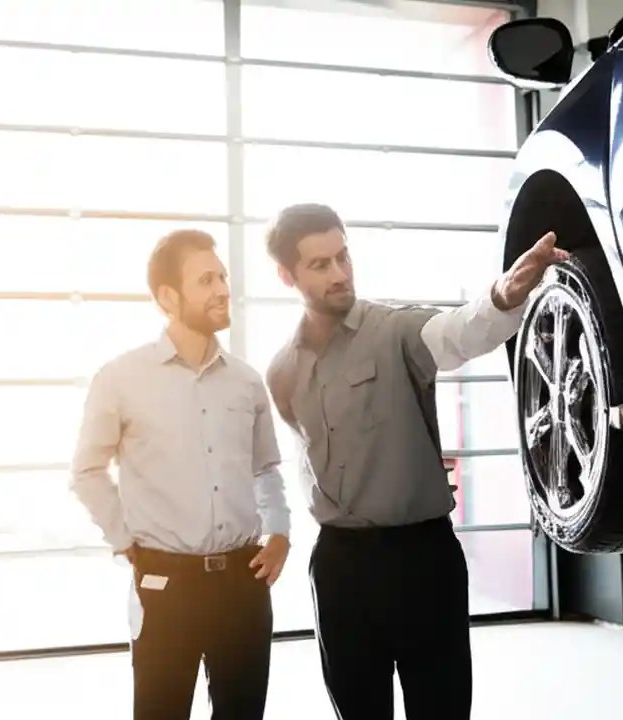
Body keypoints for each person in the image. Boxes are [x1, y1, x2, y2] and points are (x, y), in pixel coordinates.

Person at [263, 203, 568, 719]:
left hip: (421, 560)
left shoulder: (394, 331)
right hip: (340, 567)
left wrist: (505, 293)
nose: (339, 273)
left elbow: (459, 332)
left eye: (343, 256)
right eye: (320, 265)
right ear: (286, 275)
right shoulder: (282, 371)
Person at [70, 229, 293, 720]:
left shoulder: (246, 381)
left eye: (223, 277)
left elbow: (265, 469)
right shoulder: (121, 378)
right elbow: (86, 470)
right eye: (206, 280)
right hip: (165, 586)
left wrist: (279, 530)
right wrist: (127, 540)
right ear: (168, 297)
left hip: (242, 584)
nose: (221, 289)